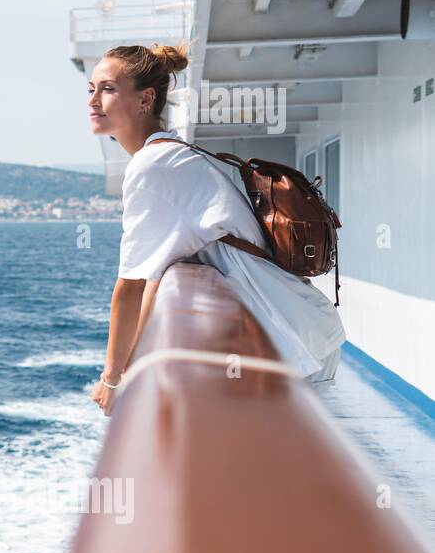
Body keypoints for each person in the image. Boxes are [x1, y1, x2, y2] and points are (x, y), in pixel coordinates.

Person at [86, 43, 346, 415]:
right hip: (296, 327)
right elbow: (154, 275)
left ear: (146, 99)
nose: (93, 99)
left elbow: (130, 286)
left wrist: (112, 380)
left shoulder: (152, 166)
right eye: (91, 89)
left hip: (287, 336)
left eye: (107, 88)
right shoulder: (171, 152)